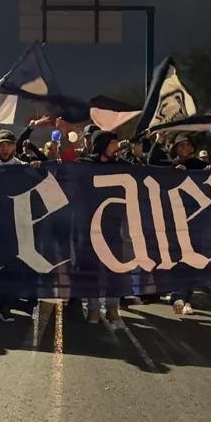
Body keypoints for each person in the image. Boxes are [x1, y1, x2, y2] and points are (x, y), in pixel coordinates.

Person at [78, 130, 126, 326]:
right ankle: (94, 308)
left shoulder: (123, 167)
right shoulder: (84, 166)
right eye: (113, 144)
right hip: (88, 226)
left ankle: (113, 307)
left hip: (114, 226)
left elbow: (149, 171)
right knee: (91, 268)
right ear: (103, 144)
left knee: (114, 267)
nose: (117, 148)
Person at [168, 135, 207, 315]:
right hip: (174, 218)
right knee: (177, 258)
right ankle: (177, 295)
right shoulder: (169, 165)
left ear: (193, 148)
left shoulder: (200, 166)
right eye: (180, 145)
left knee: (191, 258)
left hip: (196, 220)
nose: (184, 148)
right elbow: (151, 163)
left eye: (187, 145)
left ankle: (186, 298)